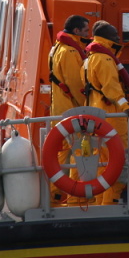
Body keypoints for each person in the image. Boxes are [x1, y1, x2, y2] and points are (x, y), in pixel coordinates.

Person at [83, 20, 129, 204]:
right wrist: (127, 108)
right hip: (111, 117)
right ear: (107, 37)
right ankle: (111, 202)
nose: (118, 38)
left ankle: (99, 202)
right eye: (115, 35)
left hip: (97, 116)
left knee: (103, 165)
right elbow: (112, 89)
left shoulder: (90, 57)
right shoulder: (106, 59)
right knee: (117, 161)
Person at [47, 14, 91, 206]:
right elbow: (75, 84)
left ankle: (55, 196)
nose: (87, 34)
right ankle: (70, 196)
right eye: (85, 30)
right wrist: (89, 106)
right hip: (71, 110)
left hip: (59, 107)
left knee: (61, 154)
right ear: (76, 31)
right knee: (74, 153)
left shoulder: (56, 47)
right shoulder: (71, 53)